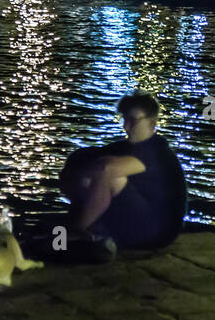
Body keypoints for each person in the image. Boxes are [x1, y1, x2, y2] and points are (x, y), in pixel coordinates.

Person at [60, 93, 188, 251]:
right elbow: (85, 156)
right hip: (135, 221)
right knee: (86, 176)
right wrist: (76, 174)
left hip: (157, 232)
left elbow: (108, 169)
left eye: (133, 121)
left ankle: (75, 231)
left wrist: (84, 174)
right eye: (124, 119)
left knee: (110, 177)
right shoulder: (124, 147)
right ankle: (88, 232)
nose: (126, 127)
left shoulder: (157, 151)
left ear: (152, 123)